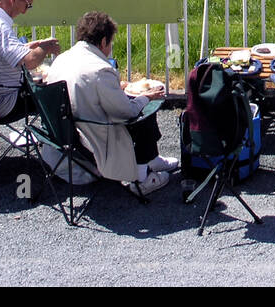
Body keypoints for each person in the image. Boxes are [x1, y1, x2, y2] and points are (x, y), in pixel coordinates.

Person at [45, 10, 177, 194]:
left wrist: (119, 88)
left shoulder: (61, 59)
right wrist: (146, 97)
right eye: (110, 43)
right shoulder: (101, 70)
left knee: (141, 103)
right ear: (103, 41)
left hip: (68, 133)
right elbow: (126, 112)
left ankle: (151, 159)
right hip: (96, 136)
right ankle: (142, 178)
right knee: (145, 109)